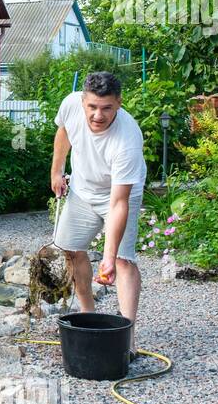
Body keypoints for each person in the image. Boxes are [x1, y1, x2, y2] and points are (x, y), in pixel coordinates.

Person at [49, 71, 146, 360]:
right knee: (71, 249)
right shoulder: (71, 104)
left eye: (106, 108)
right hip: (82, 190)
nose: (97, 115)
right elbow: (64, 133)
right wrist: (57, 170)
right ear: (83, 101)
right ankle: (87, 314)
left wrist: (108, 255)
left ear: (119, 103)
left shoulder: (128, 138)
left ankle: (126, 337)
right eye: (92, 107)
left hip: (118, 194)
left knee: (123, 260)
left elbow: (119, 203)